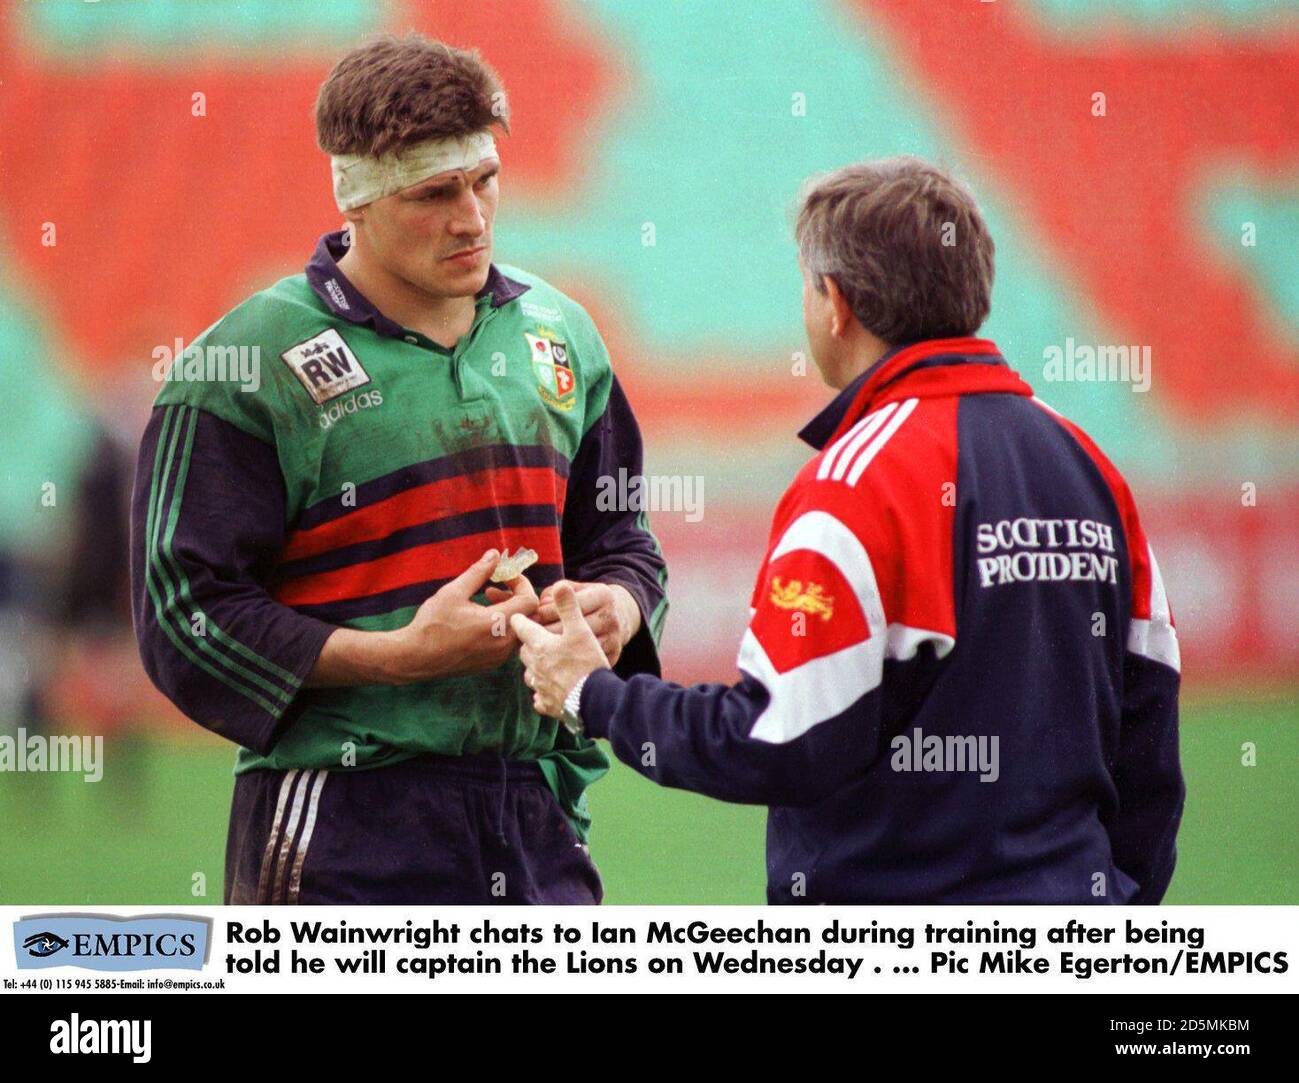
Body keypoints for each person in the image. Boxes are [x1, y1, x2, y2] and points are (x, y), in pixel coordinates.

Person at [514, 157, 1183, 905]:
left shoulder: (855, 483)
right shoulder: (1091, 468)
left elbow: (778, 739)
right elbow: (1150, 746)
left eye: (808, 284)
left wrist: (595, 694)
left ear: (835, 302)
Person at [131, 34, 667, 904]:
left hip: (536, 814)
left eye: (485, 179)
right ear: (359, 199)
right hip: (339, 818)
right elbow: (185, 615)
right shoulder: (244, 364)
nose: (474, 217)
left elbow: (621, 539)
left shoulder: (562, 333)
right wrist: (398, 657)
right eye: (435, 193)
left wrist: (620, 604)